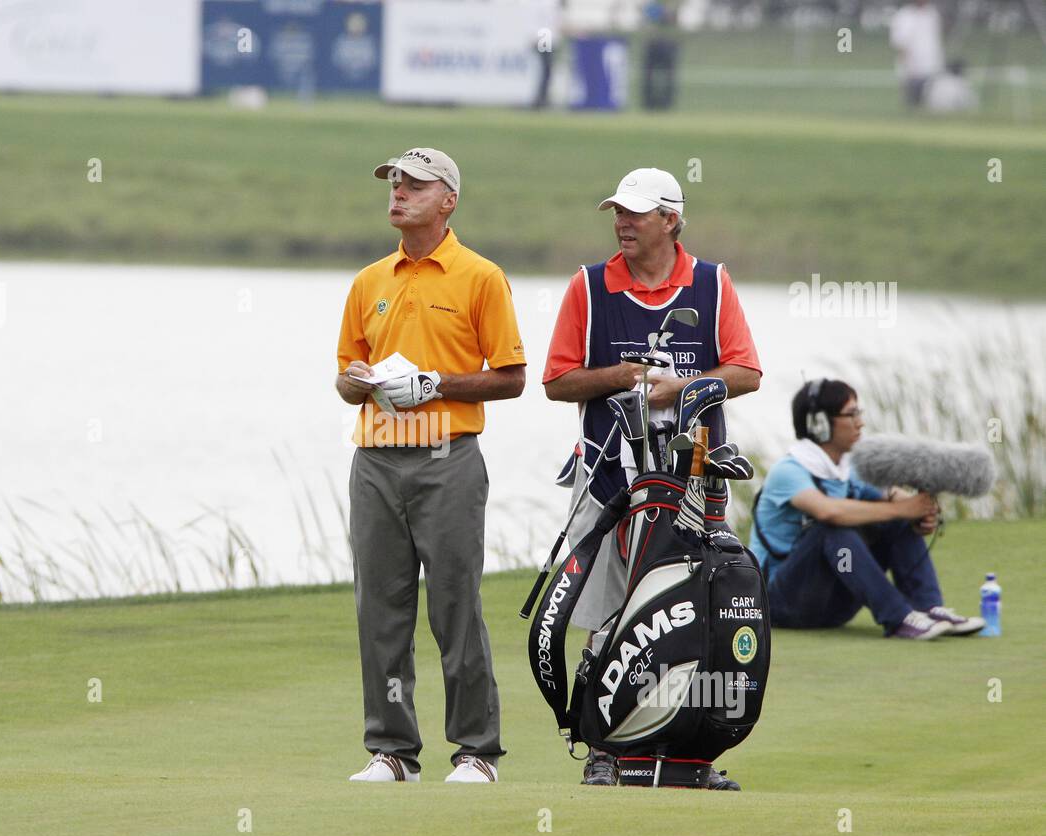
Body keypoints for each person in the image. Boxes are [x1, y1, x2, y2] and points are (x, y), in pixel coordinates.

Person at [542, 166, 762, 787]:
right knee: (605, 615)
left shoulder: (712, 285)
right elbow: (558, 382)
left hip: (694, 485)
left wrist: (684, 385)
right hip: (608, 479)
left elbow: (746, 372)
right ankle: (602, 747)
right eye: (617, 211)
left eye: (635, 214)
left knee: (697, 614)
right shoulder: (589, 287)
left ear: (671, 220)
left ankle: (692, 754)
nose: (622, 223)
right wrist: (621, 376)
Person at [335, 147, 527, 784]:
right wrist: (359, 383)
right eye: (394, 184)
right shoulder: (370, 281)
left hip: (447, 458)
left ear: (448, 200)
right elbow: (344, 376)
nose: (398, 193)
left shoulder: (480, 277)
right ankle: (392, 750)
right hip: (376, 460)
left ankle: (477, 751)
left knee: (453, 605)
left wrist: (436, 385)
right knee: (380, 609)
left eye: (414, 186)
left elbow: (511, 378)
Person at [749, 379, 984, 640]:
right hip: (783, 605)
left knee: (895, 522)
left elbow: (892, 497)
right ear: (820, 424)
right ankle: (899, 619)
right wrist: (903, 510)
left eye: (859, 413)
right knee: (832, 529)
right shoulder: (788, 471)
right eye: (851, 414)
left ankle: (928, 608)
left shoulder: (850, 468)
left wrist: (918, 513)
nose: (860, 422)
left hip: (833, 608)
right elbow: (829, 511)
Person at [890, 0, 945, 109]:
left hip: (932, 65)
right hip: (912, 68)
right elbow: (901, 43)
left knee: (930, 101)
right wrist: (906, 66)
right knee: (912, 101)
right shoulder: (904, 16)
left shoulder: (932, 14)